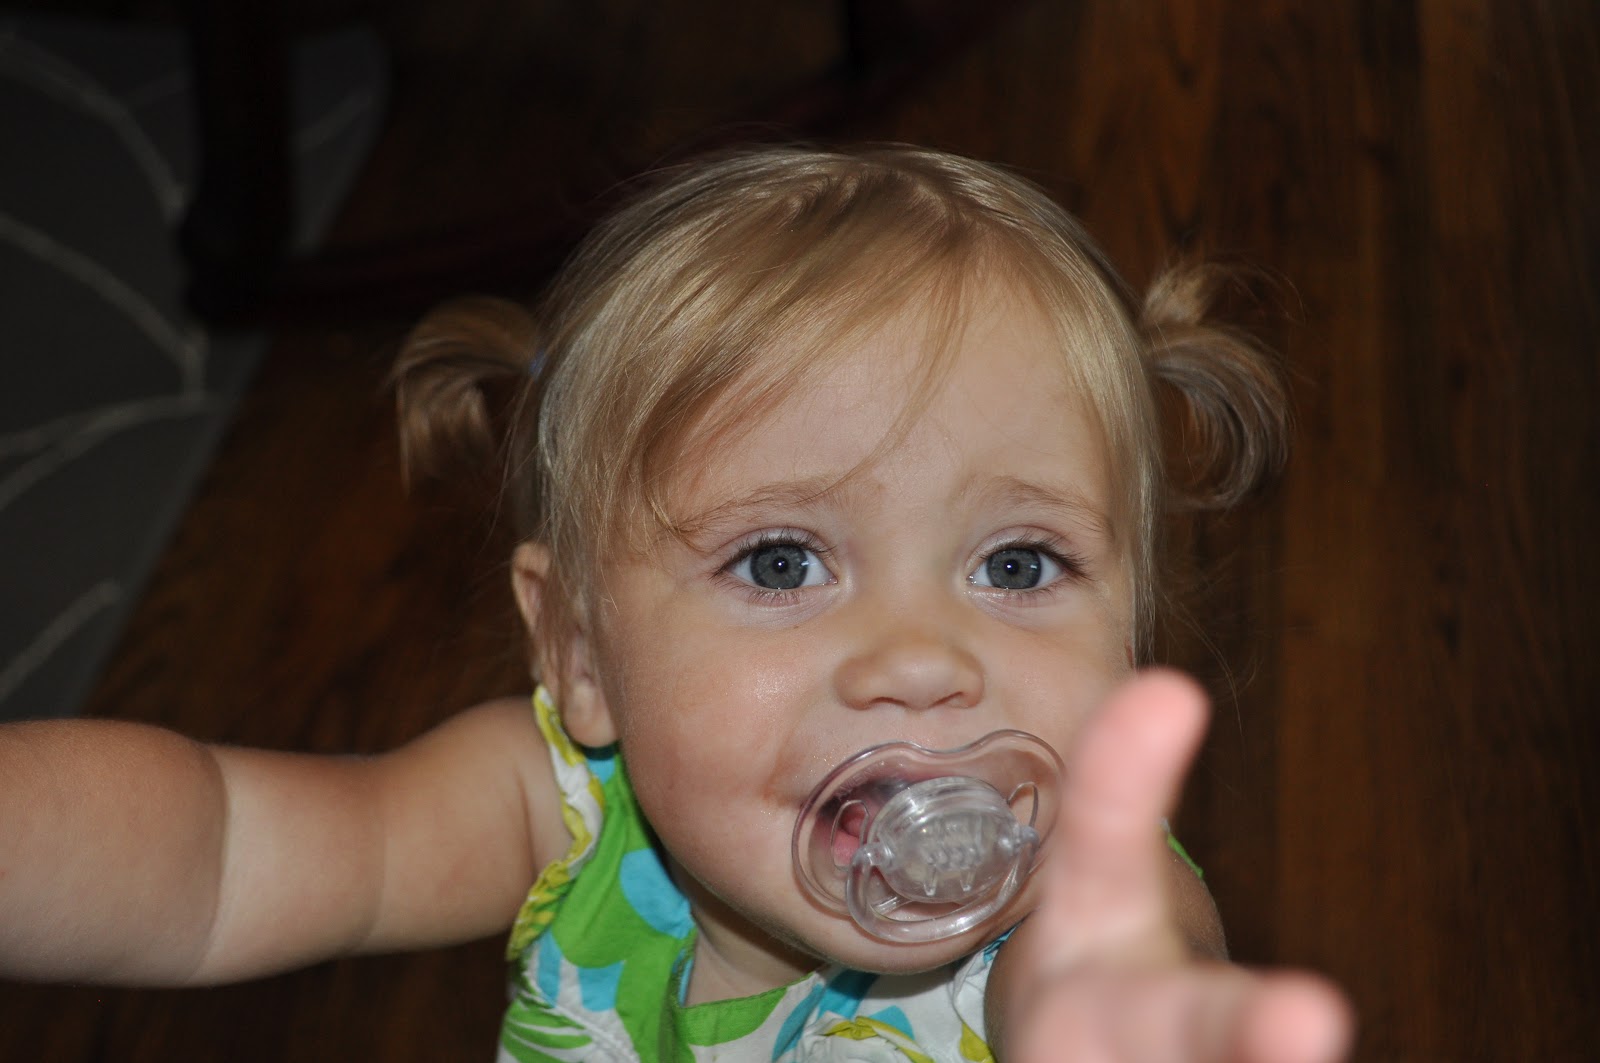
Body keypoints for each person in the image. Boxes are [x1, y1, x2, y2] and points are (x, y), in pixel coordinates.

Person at [0, 144, 1350, 1061]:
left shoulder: (1077, 900)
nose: (926, 663)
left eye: (1018, 565)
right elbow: (225, 853)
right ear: (580, 652)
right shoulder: (568, 802)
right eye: (781, 562)